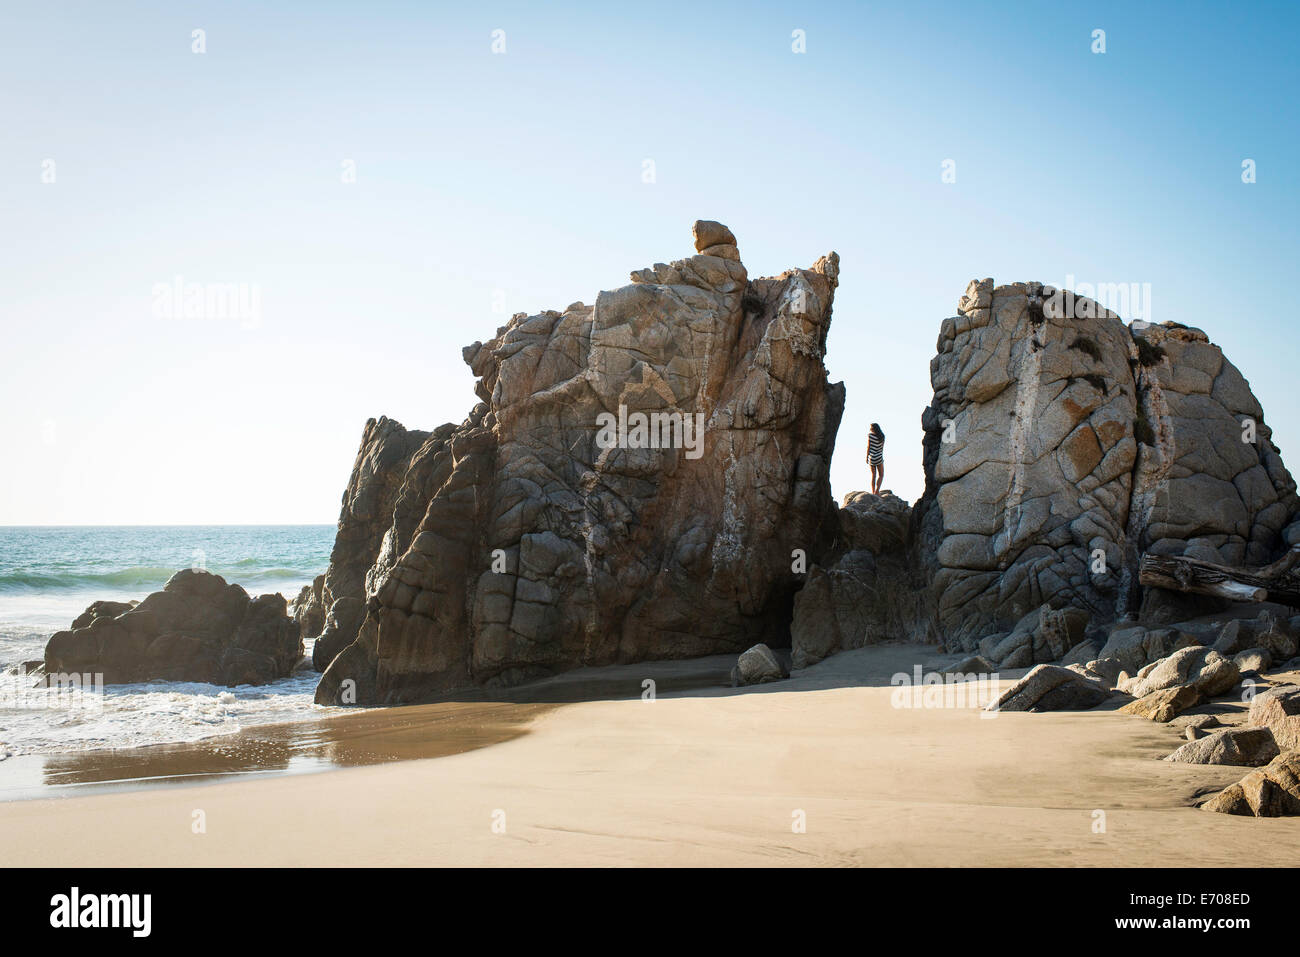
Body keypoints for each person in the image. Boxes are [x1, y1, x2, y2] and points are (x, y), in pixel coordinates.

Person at [867, 422, 885, 494]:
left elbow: (869, 447)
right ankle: (877, 491)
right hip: (879, 457)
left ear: (873, 429)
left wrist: (867, 456)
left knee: (873, 475)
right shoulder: (882, 436)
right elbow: (882, 448)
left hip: (872, 457)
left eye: (871, 428)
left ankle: (873, 491)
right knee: (881, 475)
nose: (870, 429)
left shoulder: (870, 436)